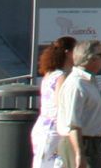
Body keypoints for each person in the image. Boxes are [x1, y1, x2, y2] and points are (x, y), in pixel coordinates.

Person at [58, 40, 101, 168]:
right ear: (91, 59)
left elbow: (94, 107)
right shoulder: (76, 84)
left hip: (90, 143)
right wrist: (79, 154)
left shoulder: (88, 81)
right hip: (80, 143)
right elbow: (73, 124)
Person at [31, 35, 77, 168]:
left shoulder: (49, 74)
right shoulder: (61, 76)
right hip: (53, 130)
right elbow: (60, 104)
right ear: (68, 52)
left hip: (44, 127)